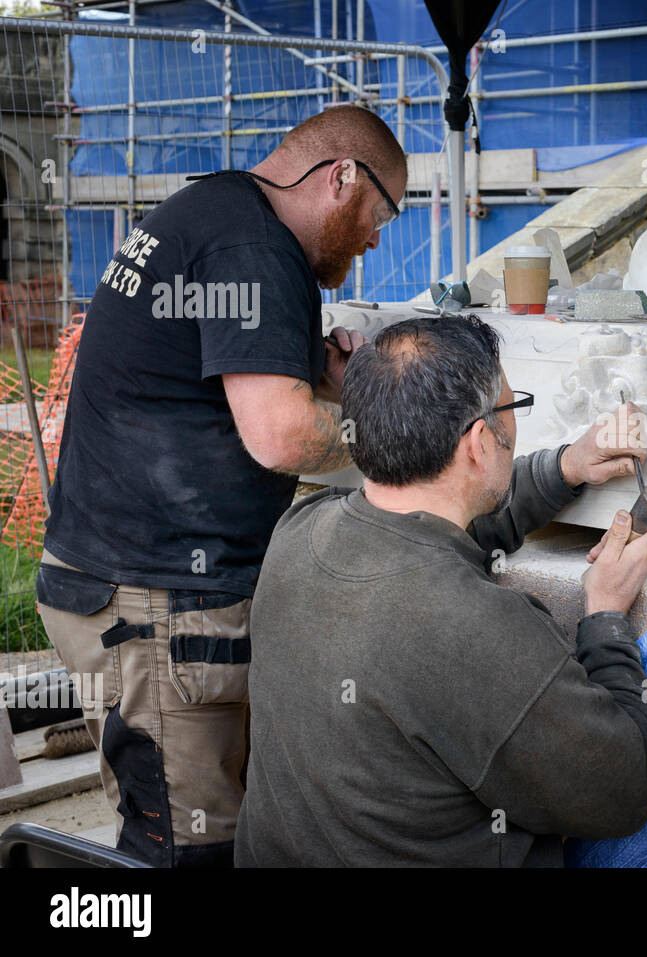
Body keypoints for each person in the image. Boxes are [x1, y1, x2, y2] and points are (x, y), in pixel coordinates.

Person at [35, 105, 406, 867]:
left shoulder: (213, 212)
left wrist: (324, 378)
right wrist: (393, 442)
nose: (376, 237)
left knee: (191, 834)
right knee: (188, 851)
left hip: (120, 583)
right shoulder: (253, 245)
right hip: (153, 607)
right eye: (381, 212)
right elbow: (277, 434)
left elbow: (201, 375)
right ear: (342, 176)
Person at [235, 315, 647, 867]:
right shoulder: (477, 628)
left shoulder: (300, 532)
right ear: (481, 442)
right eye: (513, 411)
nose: (515, 428)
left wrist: (564, 468)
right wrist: (605, 617)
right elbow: (621, 791)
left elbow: (434, 531)